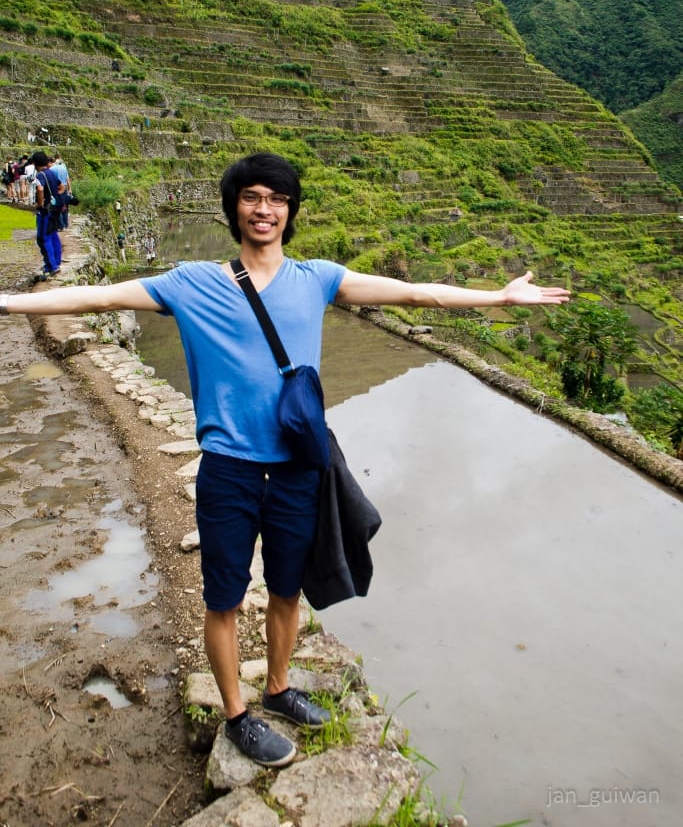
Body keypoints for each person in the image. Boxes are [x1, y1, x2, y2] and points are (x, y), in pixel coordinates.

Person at [0, 152, 570, 768]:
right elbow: (96, 298)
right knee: (223, 598)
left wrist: (498, 297)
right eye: (251, 197)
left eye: (276, 199)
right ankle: (235, 715)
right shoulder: (190, 283)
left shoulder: (317, 278)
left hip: (299, 467)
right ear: (234, 208)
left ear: (290, 210)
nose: (264, 209)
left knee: (286, 591)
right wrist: (7, 303)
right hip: (229, 469)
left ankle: (277, 688)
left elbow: (416, 293)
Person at [31, 150, 63, 278]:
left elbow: (40, 189)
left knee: (44, 238)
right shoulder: (52, 173)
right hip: (54, 209)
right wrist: (55, 197)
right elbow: (62, 186)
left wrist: (40, 204)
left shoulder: (40, 175)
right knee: (53, 235)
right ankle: (57, 262)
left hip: (46, 211)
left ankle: (51, 266)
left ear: (35, 163)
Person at [52, 153, 71, 229]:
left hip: (58, 188)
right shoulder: (64, 168)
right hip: (65, 188)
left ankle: (61, 225)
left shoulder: (53, 169)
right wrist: (70, 188)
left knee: (57, 207)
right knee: (64, 206)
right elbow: (67, 179)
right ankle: (65, 224)